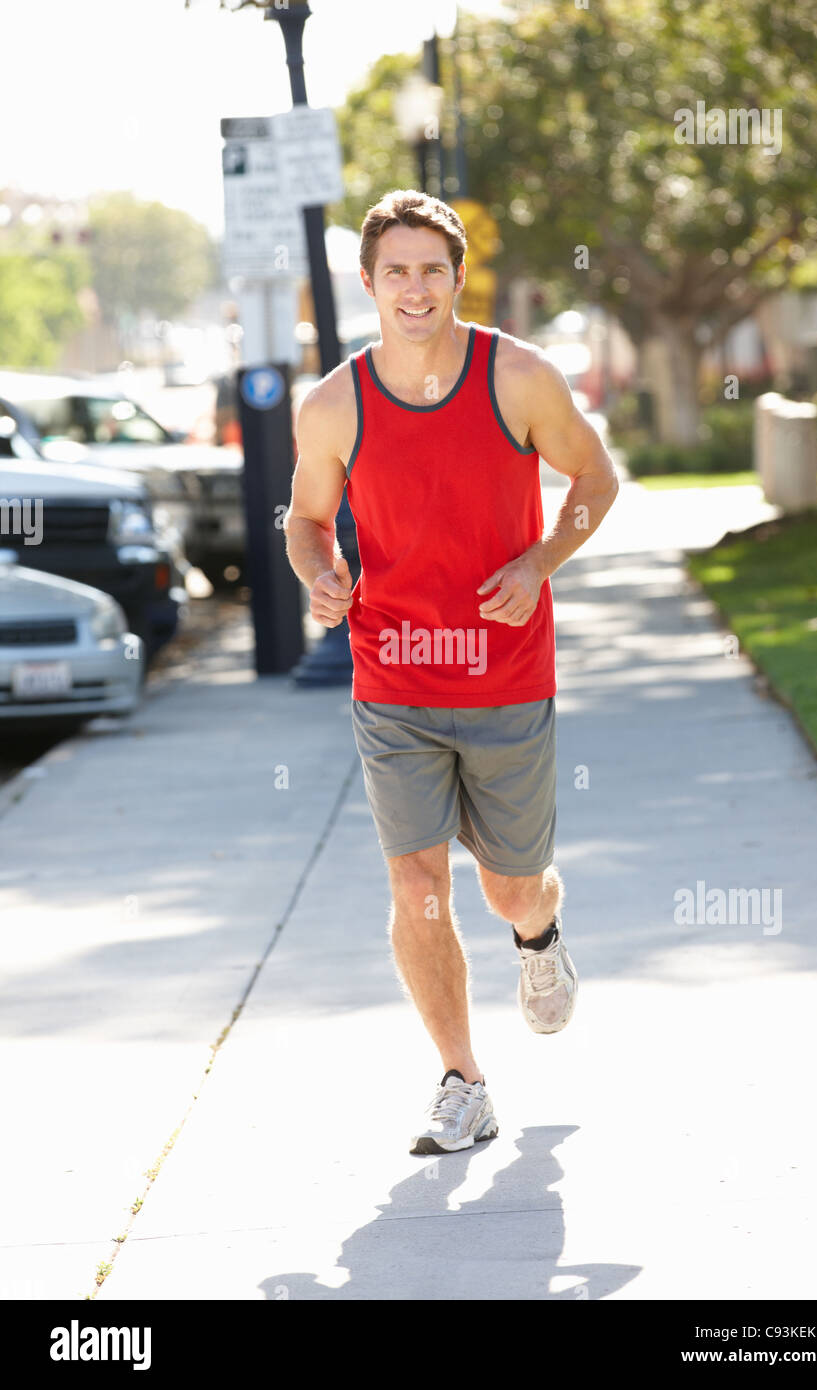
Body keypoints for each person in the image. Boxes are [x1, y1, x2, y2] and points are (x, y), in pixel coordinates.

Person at [285, 190, 619, 1155]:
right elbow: (306, 520)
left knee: (510, 890)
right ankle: (463, 1082)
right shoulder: (334, 402)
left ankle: (540, 933)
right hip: (394, 677)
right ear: (368, 282)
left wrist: (538, 562)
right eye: (397, 270)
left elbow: (595, 481)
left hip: (507, 675)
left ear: (459, 276)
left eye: (433, 268)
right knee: (416, 888)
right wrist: (322, 574)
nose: (416, 288)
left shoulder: (519, 376)